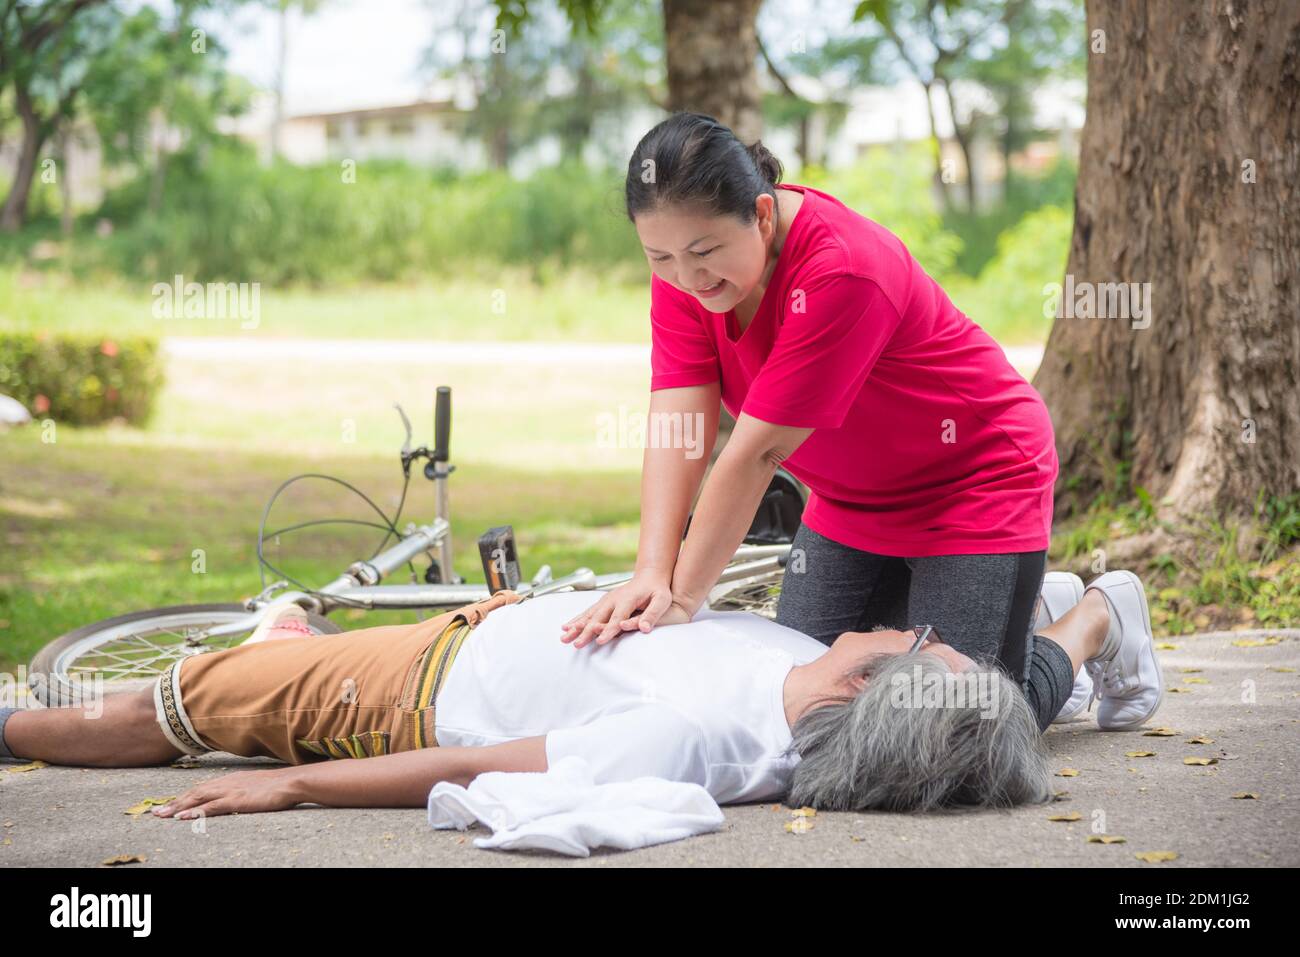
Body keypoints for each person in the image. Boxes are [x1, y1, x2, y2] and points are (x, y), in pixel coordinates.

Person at [560, 112, 1064, 709]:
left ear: (764, 215)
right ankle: (1009, 609)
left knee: (956, 717)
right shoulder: (684, 271)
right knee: (811, 704)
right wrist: (651, 571)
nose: (686, 276)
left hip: (973, 481)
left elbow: (757, 454)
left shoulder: (843, 268)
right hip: (849, 499)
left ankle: (1091, 622)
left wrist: (684, 601)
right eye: (660, 256)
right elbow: (681, 422)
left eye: (703, 251)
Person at [0, 571, 1163, 818]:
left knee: (171, 709)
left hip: (401, 694)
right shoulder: (801, 672)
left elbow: (469, 769)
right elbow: (980, 708)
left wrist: (296, 785)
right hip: (471, 633)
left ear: (875, 679)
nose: (919, 628)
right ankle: (1096, 608)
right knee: (1023, 683)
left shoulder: (693, 737)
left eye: (922, 644)